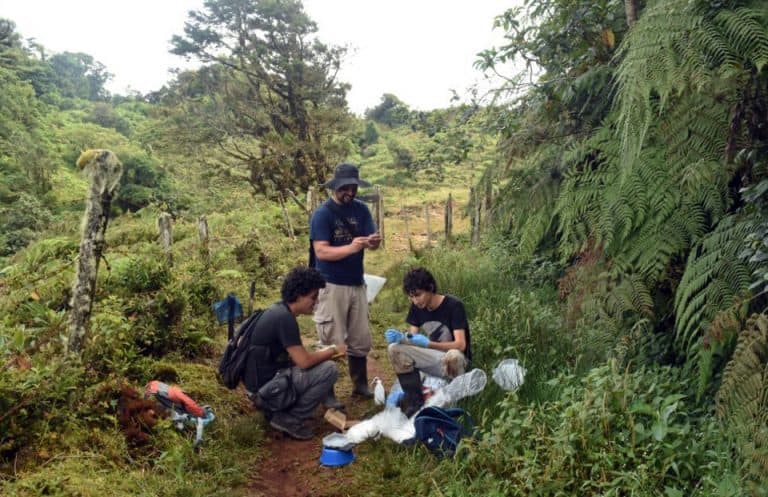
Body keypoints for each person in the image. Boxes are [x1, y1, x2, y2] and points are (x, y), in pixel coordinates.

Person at [242, 267, 347, 440]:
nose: (316, 302)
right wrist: (333, 350)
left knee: (320, 361)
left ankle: (284, 411)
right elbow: (304, 362)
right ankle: (290, 419)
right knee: (329, 369)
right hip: (266, 391)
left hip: (262, 385)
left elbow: (295, 357)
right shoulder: (285, 319)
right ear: (298, 295)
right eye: (313, 297)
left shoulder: (278, 310)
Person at [310, 162, 381, 399]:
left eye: (353, 188)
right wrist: (351, 248)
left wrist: (373, 241)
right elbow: (321, 252)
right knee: (331, 339)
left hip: (356, 283)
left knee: (360, 338)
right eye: (345, 189)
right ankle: (326, 393)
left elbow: (373, 241)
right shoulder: (322, 214)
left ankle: (360, 385)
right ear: (335, 187)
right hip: (330, 284)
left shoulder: (361, 210)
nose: (350, 193)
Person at [385, 267, 471, 416]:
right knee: (394, 348)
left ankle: (454, 402)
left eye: (418, 295)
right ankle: (414, 402)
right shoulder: (416, 307)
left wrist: (428, 344)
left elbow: (461, 344)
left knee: (454, 355)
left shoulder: (453, 305)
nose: (415, 300)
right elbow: (412, 339)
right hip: (432, 359)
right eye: (411, 297)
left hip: (455, 362)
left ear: (430, 288)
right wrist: (402, 338)